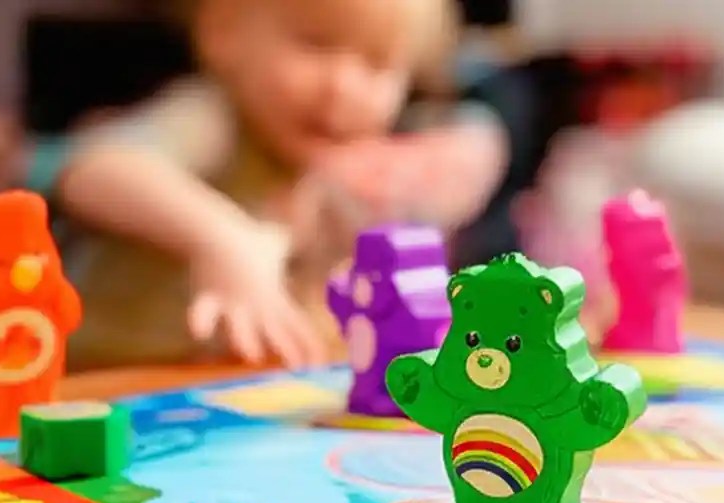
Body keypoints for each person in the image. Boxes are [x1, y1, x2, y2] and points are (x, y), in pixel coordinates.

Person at [50, 0, 507, 370]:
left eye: (376, 64)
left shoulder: (335, 173)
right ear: (224, 32)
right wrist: (226, 240)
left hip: (216, 396)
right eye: (316, 44)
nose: (342, 86)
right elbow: (94, 169)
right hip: (99, 385)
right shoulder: (211, 118)